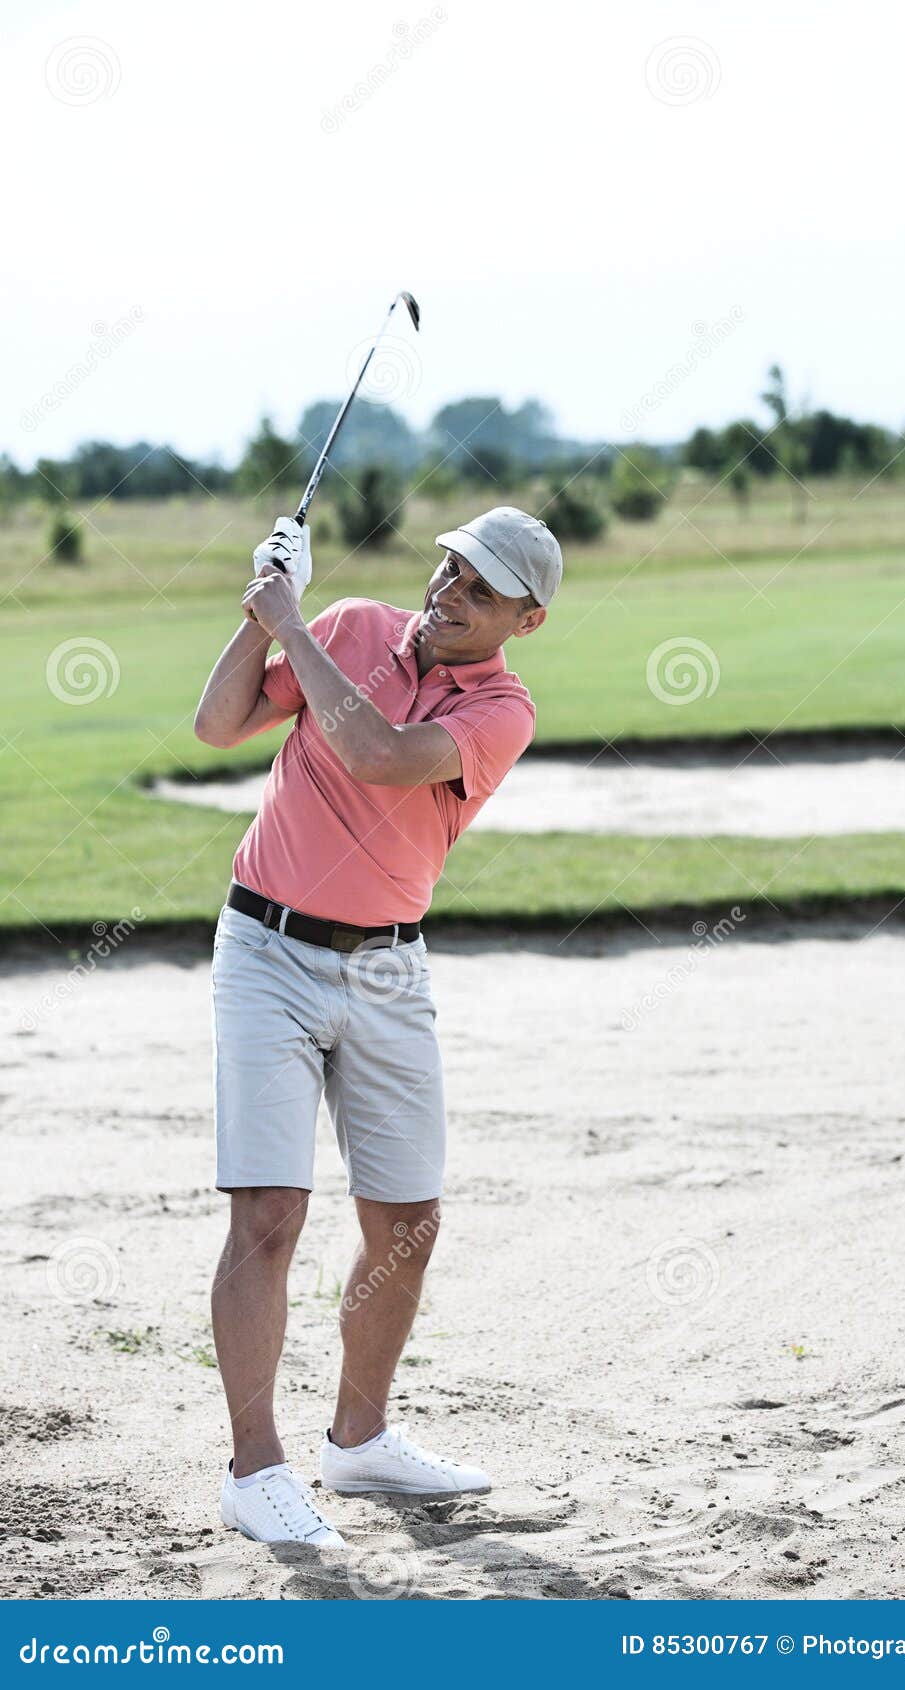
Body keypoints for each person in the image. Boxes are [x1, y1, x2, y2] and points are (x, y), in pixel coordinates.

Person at [193, 506, 562, 1545]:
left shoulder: (502, 707)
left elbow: (380, 752)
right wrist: (261, 614)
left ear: (523, 621)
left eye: (480, 590)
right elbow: (218, 726)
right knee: (268, 1212)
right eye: (449, 568)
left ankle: (357, 1443)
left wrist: (293, 627)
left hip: (389, 969)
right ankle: (253, 1465)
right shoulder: (351, 622)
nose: (449, 592)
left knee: (406, 1223)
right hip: (265, 950)